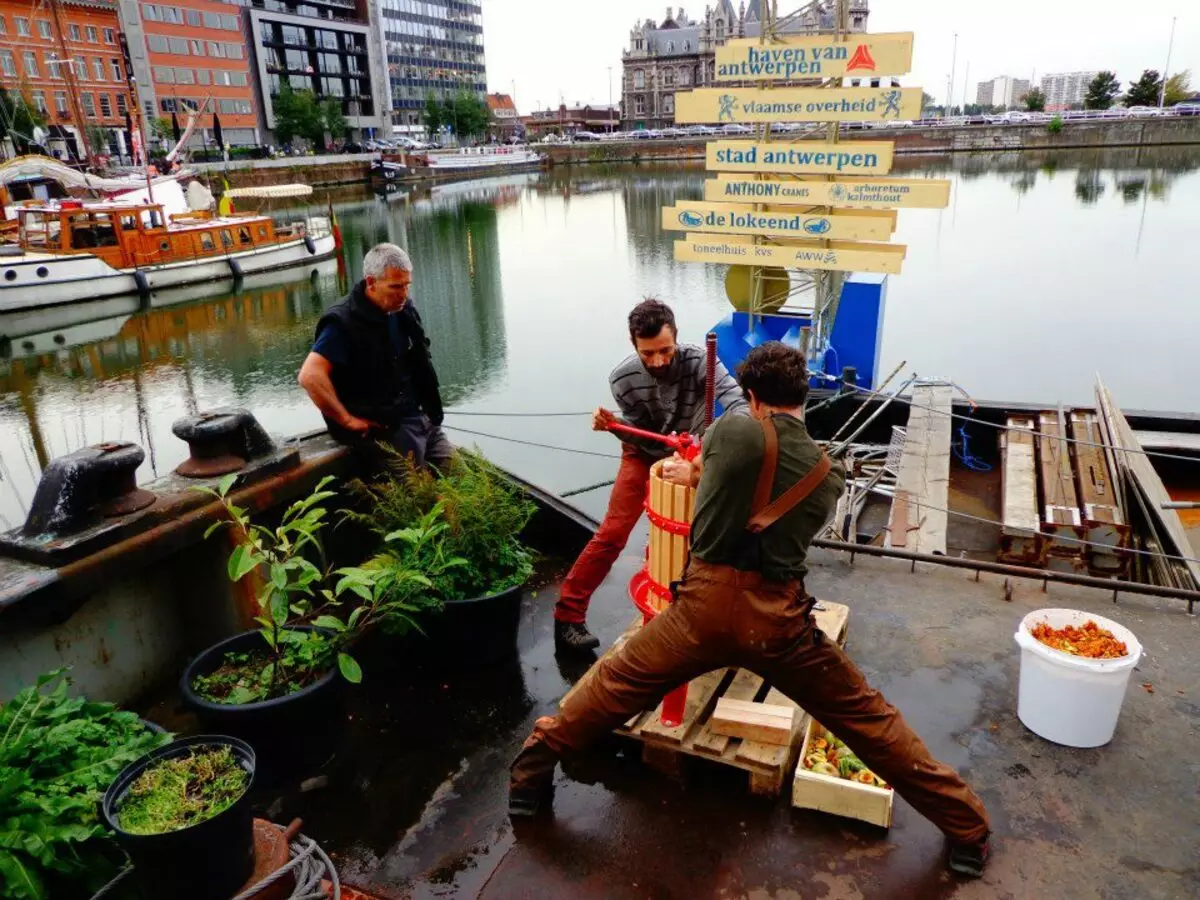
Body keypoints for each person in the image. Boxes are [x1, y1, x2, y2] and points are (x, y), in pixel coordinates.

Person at [510, 342, 992, 877]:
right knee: (867, 719)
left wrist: (688, 477)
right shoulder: (827, 475)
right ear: (802, 397)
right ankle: (968, 831)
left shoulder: (730, 432)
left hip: (699, 611)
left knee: (611, 687)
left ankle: (528, 781)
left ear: (754, 397)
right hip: (777, 623)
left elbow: (714, 471)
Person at [553, 298, 747, 654]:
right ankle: (568, 616)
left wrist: (706, 454)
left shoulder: (702, 360)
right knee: (612, 532)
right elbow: (639, 434)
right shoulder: (622, 379)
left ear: (676, 338)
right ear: (634, 345)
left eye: (665, 350)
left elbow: (738, 404)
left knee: (718, 532)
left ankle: (715, 612)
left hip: (696, 452)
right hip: (643, 455)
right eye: (648, 354)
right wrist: (614, 427)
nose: (658, 361)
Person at [298, 242, 451, 469]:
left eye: (407, 285)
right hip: (385, 429)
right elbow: (310, 376)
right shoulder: (343, 322)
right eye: (395, 287)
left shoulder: (402, 310)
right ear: (371, 282)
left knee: (461, 476)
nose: (403, 294)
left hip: (420, 418)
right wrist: (346, 420)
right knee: (418, 491)